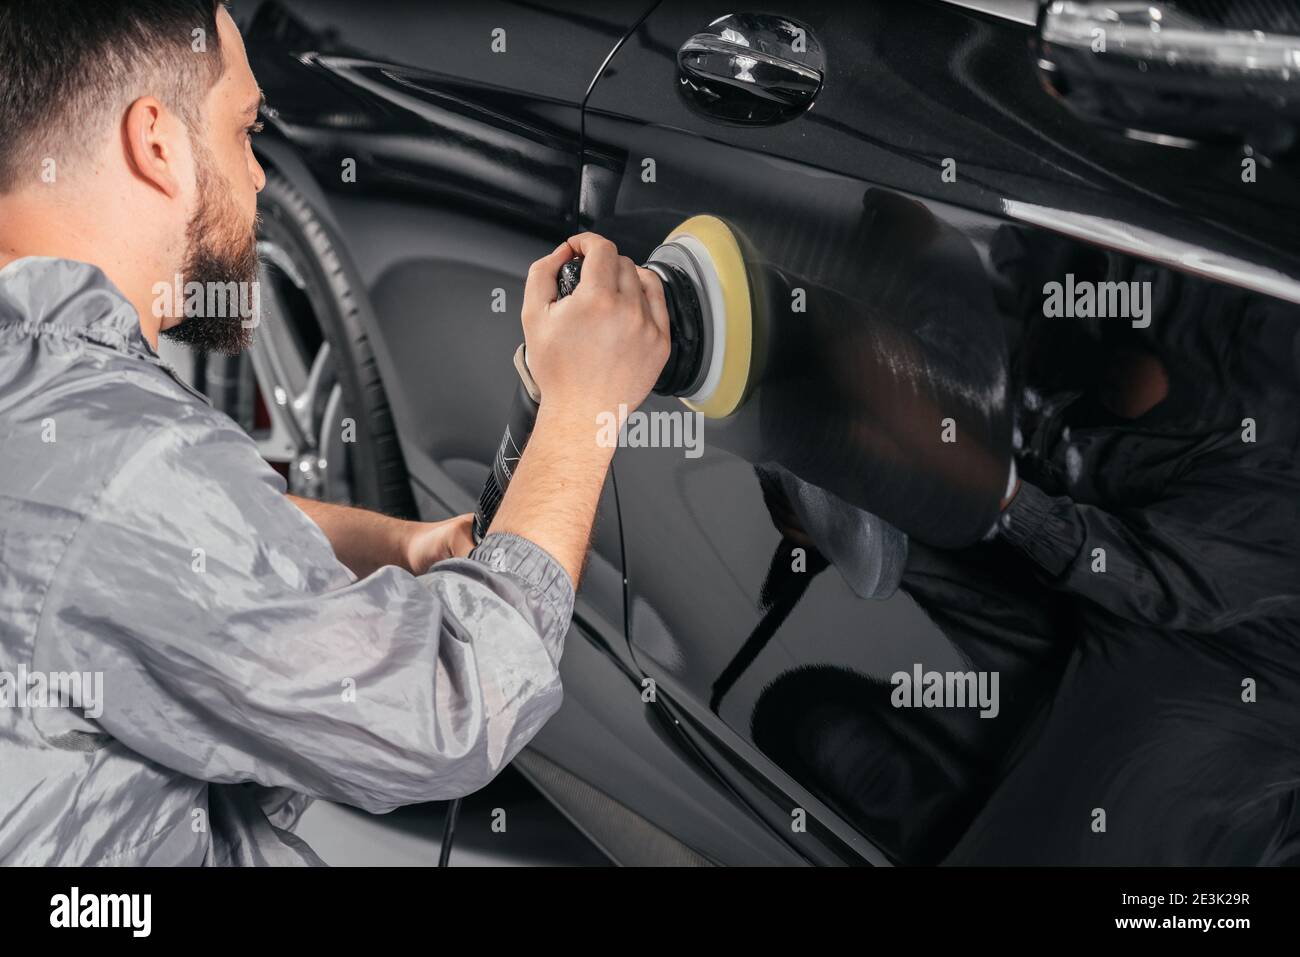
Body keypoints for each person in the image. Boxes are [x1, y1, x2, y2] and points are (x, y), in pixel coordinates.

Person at [0, 1, 669, 865]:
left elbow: (117, 546)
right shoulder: (123, 456)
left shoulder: (57, 418)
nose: (258, 179)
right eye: (244, 131)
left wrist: (404, 546)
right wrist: (584, 407)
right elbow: (449, 706)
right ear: (157, 144)